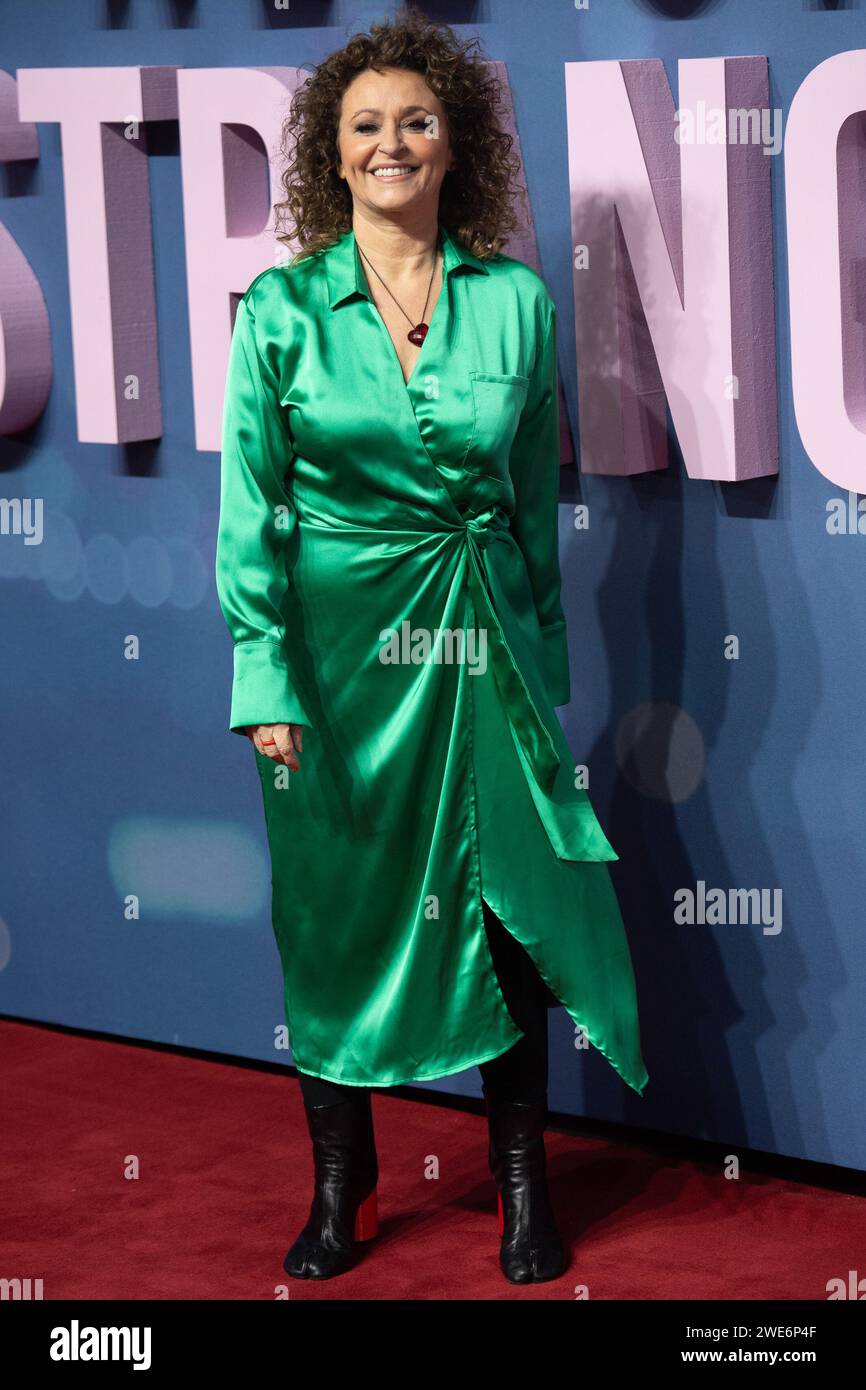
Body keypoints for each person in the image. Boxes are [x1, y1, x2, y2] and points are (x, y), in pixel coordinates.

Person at [215, 6, 648, 1286]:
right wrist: (262, 678)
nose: (391, 141)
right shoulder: (281, 310)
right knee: (334, 923)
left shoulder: (513, 303)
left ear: (454, 146)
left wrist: (541, 671)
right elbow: (251, 513)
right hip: (336, 669)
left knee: (508, 914)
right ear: (330, 155)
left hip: (482, 657)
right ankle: (341, 1184)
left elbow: (526, 513)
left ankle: (523, 1185)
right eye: (365, 125)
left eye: (416, 119)